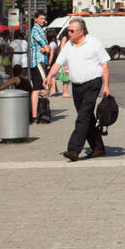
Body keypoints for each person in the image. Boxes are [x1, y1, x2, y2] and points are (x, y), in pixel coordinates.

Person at [44, 18, 111, 161]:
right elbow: (58, 63)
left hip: (93, 84)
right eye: (68, 30)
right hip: (77, 87)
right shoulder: (68, 45)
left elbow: (104, 65)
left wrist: (106, 85)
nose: (68, 33)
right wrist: (49, 76)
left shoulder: (94, 43)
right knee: (87, 117)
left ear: (81, 32)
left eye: (71, 31)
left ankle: (74, 150)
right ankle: (98, 147)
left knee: (83, 117)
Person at [28, 11, 50, 122]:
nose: (43, 20)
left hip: (37, 62)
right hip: (39, 61)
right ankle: (36, 114)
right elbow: (47, 48)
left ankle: (35, 114)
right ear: (35, 19)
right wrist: (45, 49)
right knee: (42, 88)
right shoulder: (37, 30)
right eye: (41, 18)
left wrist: (45, 49)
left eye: (44, 18)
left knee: (38, 88)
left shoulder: (38, 30)